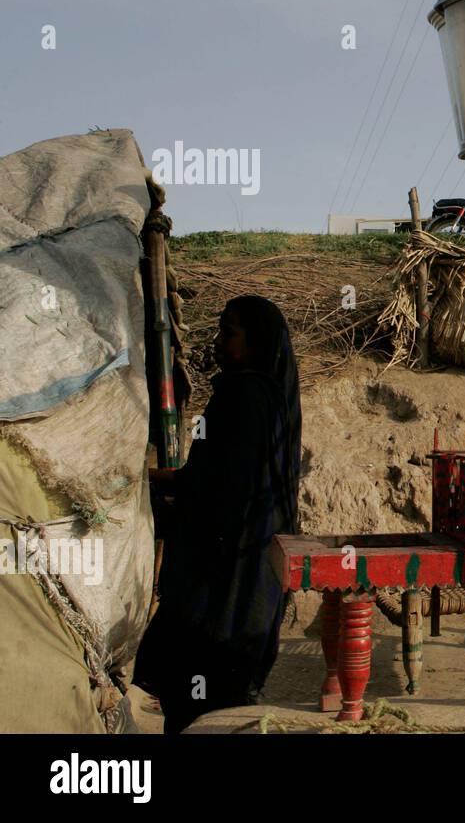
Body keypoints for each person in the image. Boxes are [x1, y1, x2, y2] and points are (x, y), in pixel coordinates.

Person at [133, 296, 301, 733]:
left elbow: (215, 489)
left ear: (255, 340)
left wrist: (151, 486)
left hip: (221, 587)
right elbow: (219, 478)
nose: (219, 342)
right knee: (220, 708)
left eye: (229, 333)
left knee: (194, 704)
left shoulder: (241, 394)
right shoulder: (271, 398)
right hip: (251, 585)